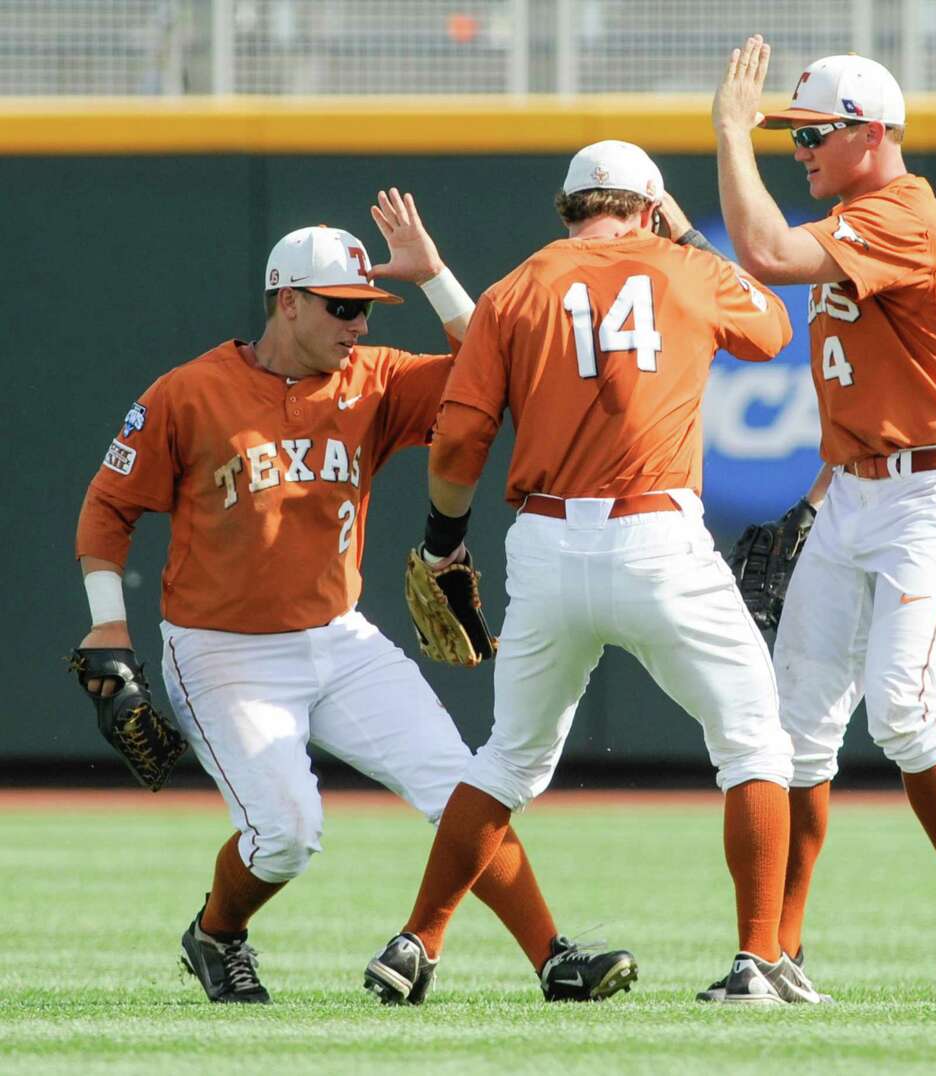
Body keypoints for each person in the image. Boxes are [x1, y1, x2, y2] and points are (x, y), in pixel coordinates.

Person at [74, 190, 632, 1006]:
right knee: (287, 836)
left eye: (365, 309)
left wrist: (436, 274)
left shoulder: (376, 380)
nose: (358, 326)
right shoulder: (188, 393)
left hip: (339, 641)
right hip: (223, 653)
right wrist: (107, 623)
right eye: (341, 308)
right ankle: (217, 934)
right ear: (287, 301)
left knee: (462, 790)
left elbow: (502, 367)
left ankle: (555, 959)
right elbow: (108, 506)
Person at [361, 139, 829, 1007]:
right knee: (755, 740)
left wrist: (441, 544)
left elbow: (461, 440)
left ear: (568, 208)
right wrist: (687, 235)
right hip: (656, 537)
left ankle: (417, 939)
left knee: (508, 760)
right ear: (646, 208)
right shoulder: (681, 268)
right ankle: (758, 960)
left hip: (545, 546)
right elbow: (770, 327)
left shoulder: (517, 287)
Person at [708, 38, 936, 1001]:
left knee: (900, 705)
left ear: (871, 132)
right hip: (853, 489)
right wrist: (810, 506)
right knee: (794, 730)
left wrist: (729, 134)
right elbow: (851, 400)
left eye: (813, 131)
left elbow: (764, 255)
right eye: (788, 131)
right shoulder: (854, 218)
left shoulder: (903, 214)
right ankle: (775, 956)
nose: (797, 146)